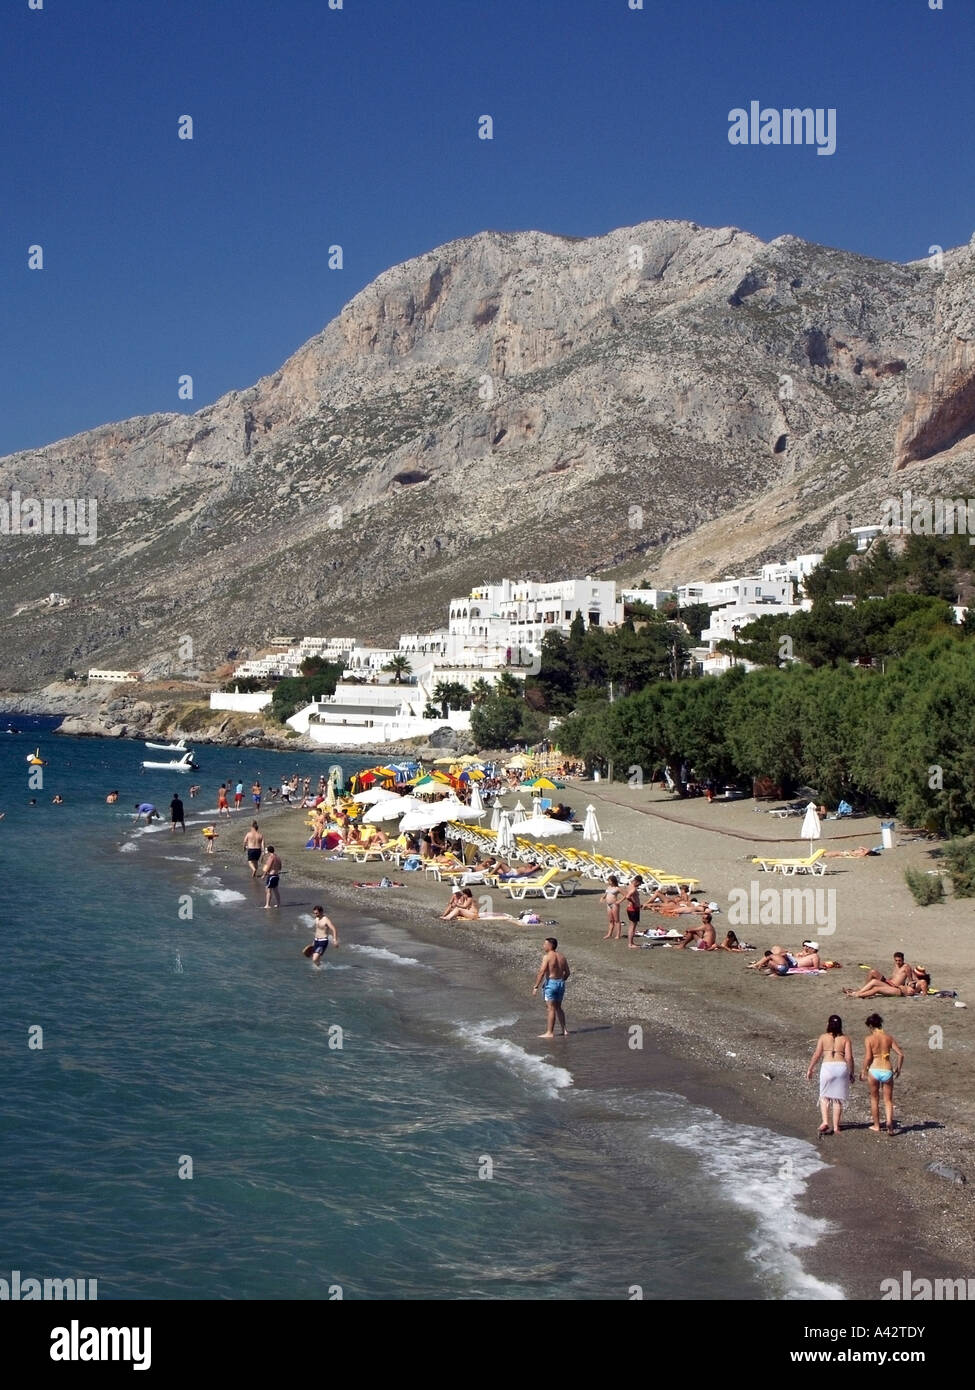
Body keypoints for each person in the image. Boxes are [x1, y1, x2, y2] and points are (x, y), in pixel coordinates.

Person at [806, 1014, 854, 1135]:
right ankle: (836, 1127)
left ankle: (825, 1122)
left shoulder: (823, 1037)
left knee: (824, 1096)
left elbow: (817, 1054)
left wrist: (810, 1068)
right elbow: (849, 1057)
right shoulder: (845, 1039)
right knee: (837, 1099)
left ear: (828, 1024)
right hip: (841, 1067)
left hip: (827, 1067)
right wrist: (851, 1072)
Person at [861, 1014, 905, 1134]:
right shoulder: (888, 1038)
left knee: (874, 1099)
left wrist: (863, 1070)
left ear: (871, 1026)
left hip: (874, 1070)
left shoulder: (869, 1039)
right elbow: (900, 1054)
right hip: (887, 1069)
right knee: (888, 1100)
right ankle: (889, 1123)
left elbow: (868, 1057)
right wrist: (898, 1069)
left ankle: (876, 1125)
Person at [532, 937, 570, 1038]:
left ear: (550, 945)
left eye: (545, 944)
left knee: (551, 1009)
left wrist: (536, 986)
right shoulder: (562, 956)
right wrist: (561, 981)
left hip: (551, 984)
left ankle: (549, 1032)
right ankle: (564, 1030)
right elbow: (568, 972)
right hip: (561, 983)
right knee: (558, 1007)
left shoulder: (547, 957)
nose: (543, 946)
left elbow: (542, 972)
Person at [844, 952, 918, 998]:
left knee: (874, 983)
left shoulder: (906, 967)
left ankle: (858, 993)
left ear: (903, 960)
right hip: (889, 983)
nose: (898, 962)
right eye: (896, 960)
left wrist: (910, 989)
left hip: (895, 987)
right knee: (872, 972)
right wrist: (887, 980)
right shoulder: (896, 965)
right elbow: (895, 976)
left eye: (899, 960)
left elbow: (910, 980)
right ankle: (861, 991)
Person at [623, 876, 644, 948]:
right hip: (633, 909)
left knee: (631, 926)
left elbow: (627, 895)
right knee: (632, 926)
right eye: (639, 883)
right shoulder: (634, 889)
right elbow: (628, 896)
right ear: (637, 881)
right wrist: (634, 903)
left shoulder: (629, 886)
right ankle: (630, 944)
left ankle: (631, 942)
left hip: (630, 908)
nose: (639, 885)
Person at [602, 875, 622, 940]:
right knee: (610, 920)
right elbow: (606, 894)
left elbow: (626, 895)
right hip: (608, 904)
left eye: (610, 881)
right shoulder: (608, 887)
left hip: (614, 904)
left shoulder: (617, 888)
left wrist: (619, 901)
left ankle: (618, 935)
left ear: (613, 881)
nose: (609, 882)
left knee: (616, 920)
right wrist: (602, 898)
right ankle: (609, 934)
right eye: (608, 881)